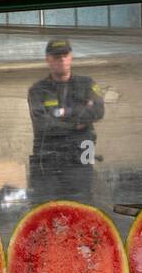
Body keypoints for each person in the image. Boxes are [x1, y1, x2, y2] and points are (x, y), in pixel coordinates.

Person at [27, 39, 105, 201]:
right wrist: (78, 122)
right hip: (48, 158)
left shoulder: (87, 84)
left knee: (82, 202)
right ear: (48, 59)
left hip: (80, 156)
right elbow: (43, 125)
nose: (61, 60)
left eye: (65, 55)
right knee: (47, 205)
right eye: (56, 56)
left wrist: (62, 113)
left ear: (71, 57)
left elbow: (97, 111)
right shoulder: (38, 90)